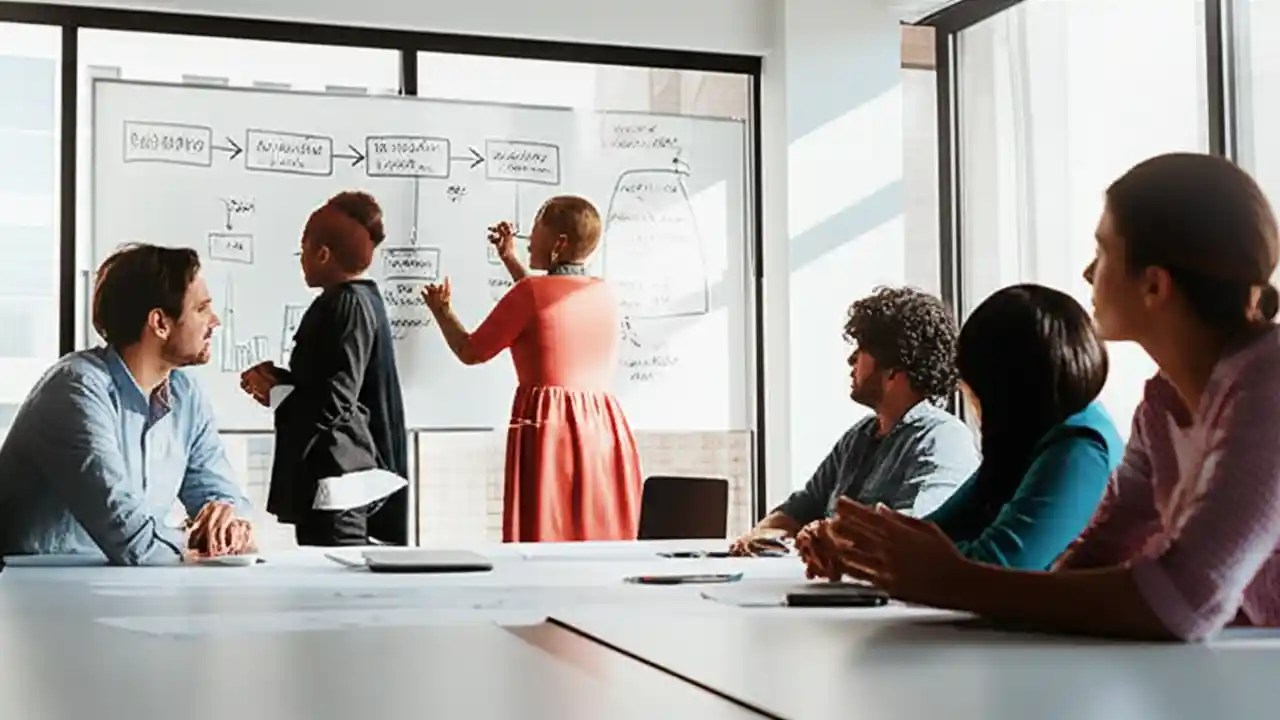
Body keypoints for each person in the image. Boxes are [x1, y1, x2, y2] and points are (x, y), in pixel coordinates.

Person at [830, 152, 1280, 642]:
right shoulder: (1161, 404)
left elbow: (1184, 601)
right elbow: (1098, 551)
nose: (1088, 272)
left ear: (1154, 284)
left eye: (1103, 251)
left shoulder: (1267, 389)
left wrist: (953, 581)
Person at [803, 284, 1122, 578]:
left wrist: (865, 554)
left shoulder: (1079, 446)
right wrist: (852, 546)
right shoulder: (1031, 439)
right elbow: (941, 528)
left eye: (974, 391)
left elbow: (998, 568)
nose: (975, 409)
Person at [0, 244, 254, 565]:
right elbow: (133, 542)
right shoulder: (76, 390)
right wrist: (196, 537)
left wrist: (228, 524)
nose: (214, 321)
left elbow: (224, 499)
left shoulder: (184, 393)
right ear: (160, 323)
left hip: (124, 588)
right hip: (34, 593)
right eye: (201, 309)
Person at [421, 195, 641, 543]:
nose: (528, 240)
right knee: (595, 533)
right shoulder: (603, 293)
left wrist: (441, 310)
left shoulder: (530, 295)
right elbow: (546, 303)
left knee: (548, 538)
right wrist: (509, 260)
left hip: (549, 426)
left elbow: (471, 350)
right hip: (602, 425)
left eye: (535, 230)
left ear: (559, 243)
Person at [730, 286, 978, 557]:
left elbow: (912, 530)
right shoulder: (858, 437)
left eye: (862, 349)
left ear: (894, 367)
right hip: (834, 588)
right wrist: (757, 538)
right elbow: (799, 508)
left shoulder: (943, 440)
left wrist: (826, 536)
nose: (851, 359)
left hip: (887, 596)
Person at [241, 191, 408, 546]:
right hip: (337, 476)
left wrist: (276, 393)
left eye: (303, 249)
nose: (300, 259)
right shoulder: (358, 301)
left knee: (335, 588)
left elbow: (335, 398)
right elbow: (331, 383)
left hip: (338, 478)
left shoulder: (346, 304)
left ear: (322, 253)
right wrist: (281, 382)